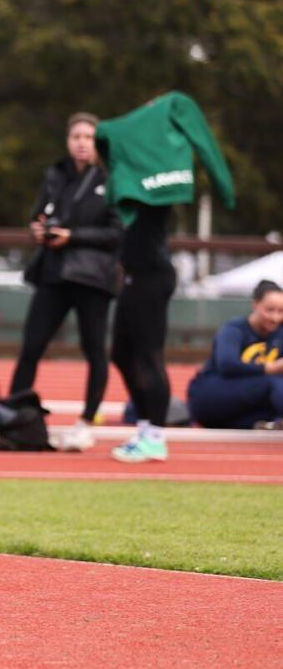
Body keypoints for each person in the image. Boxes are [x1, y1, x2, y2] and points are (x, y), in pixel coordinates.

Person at [98, 92, 235, 463]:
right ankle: (144, 429)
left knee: (148, 356)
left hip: (152, 277)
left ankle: (156, 436)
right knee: (121, 355)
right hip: (133, 278)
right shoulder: (133, 181)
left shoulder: (155, 190)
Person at [6, 113, 122, 453]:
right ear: (68, 141)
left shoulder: (112, 178)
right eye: (76, 137)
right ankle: (14, 414)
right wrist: (40, 229)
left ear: (99, 142)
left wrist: (73, 236)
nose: (82, 143)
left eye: (89, 137)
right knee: (31, 346)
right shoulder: (55, 175)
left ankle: (87, 420)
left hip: (91, 276)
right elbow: (38, 214)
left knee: (94, 348)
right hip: (54, 272)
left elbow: (117, 232)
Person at [187, 280, 283, 429]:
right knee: (273, 384)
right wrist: (271, 368)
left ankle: (265, 424)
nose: (275, 318)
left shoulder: (280, 332)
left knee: (274, 397)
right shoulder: (234, 329)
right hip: (209, 397)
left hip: (239, 411)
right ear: (255, 304)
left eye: (281, 311)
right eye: (269, 310)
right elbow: (227, 365)